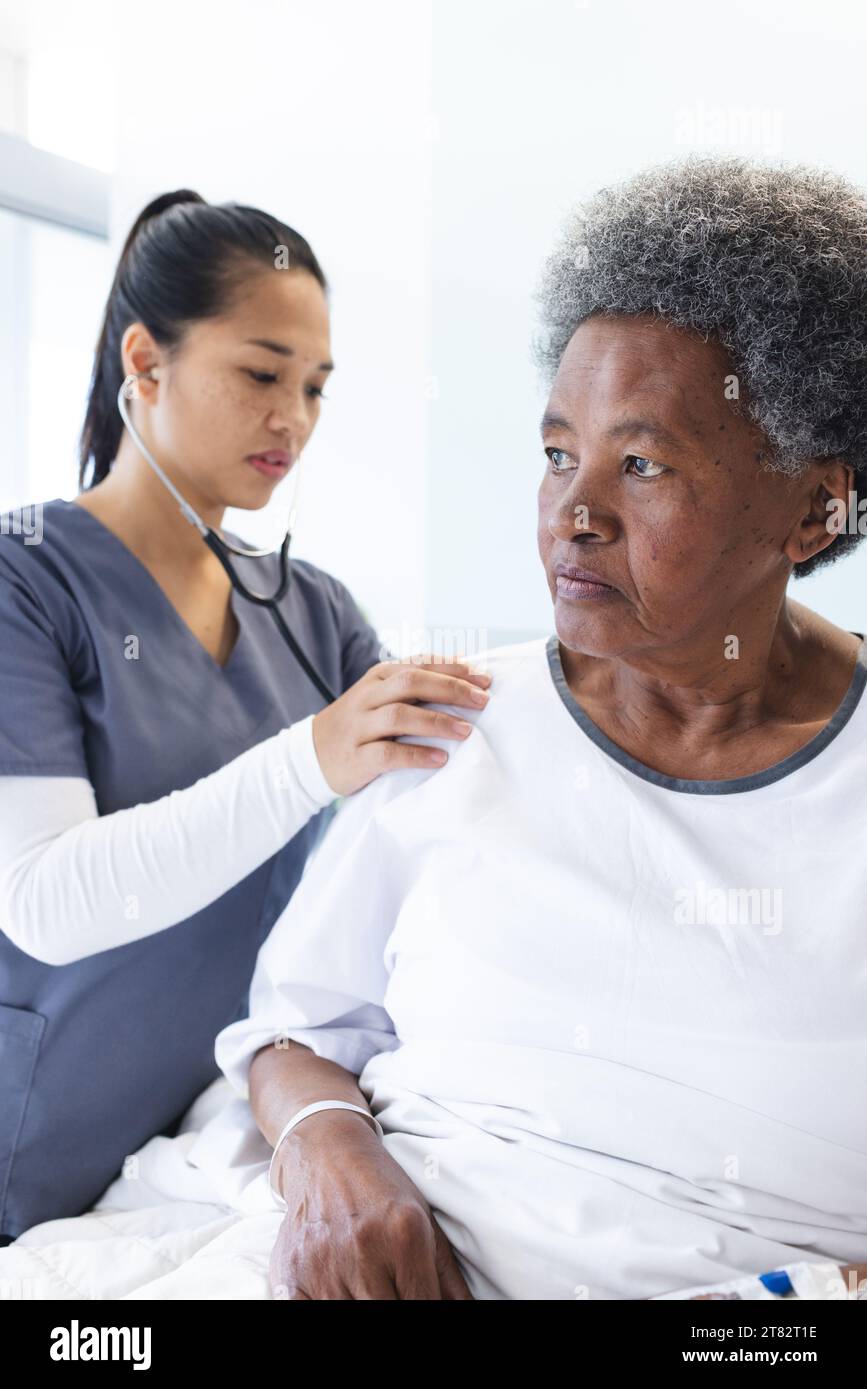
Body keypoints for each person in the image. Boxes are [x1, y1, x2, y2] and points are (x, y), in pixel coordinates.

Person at [207, 155, 867, 1299]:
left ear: (815, 508)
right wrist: (332, 1151)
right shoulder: (451, 722)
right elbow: (293, 1029)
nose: (575, 513)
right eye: (559, 452)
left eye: (643, 462)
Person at [0, 190, 491, 1243]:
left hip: (207, 1149)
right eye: (262, 373)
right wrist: (311, 756)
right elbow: (41, 898)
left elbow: (425, 809)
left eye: (314, 386)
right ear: (146, 362)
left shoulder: (313, 612)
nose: (296, 418)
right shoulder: (25, 578)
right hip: (35, 1149)